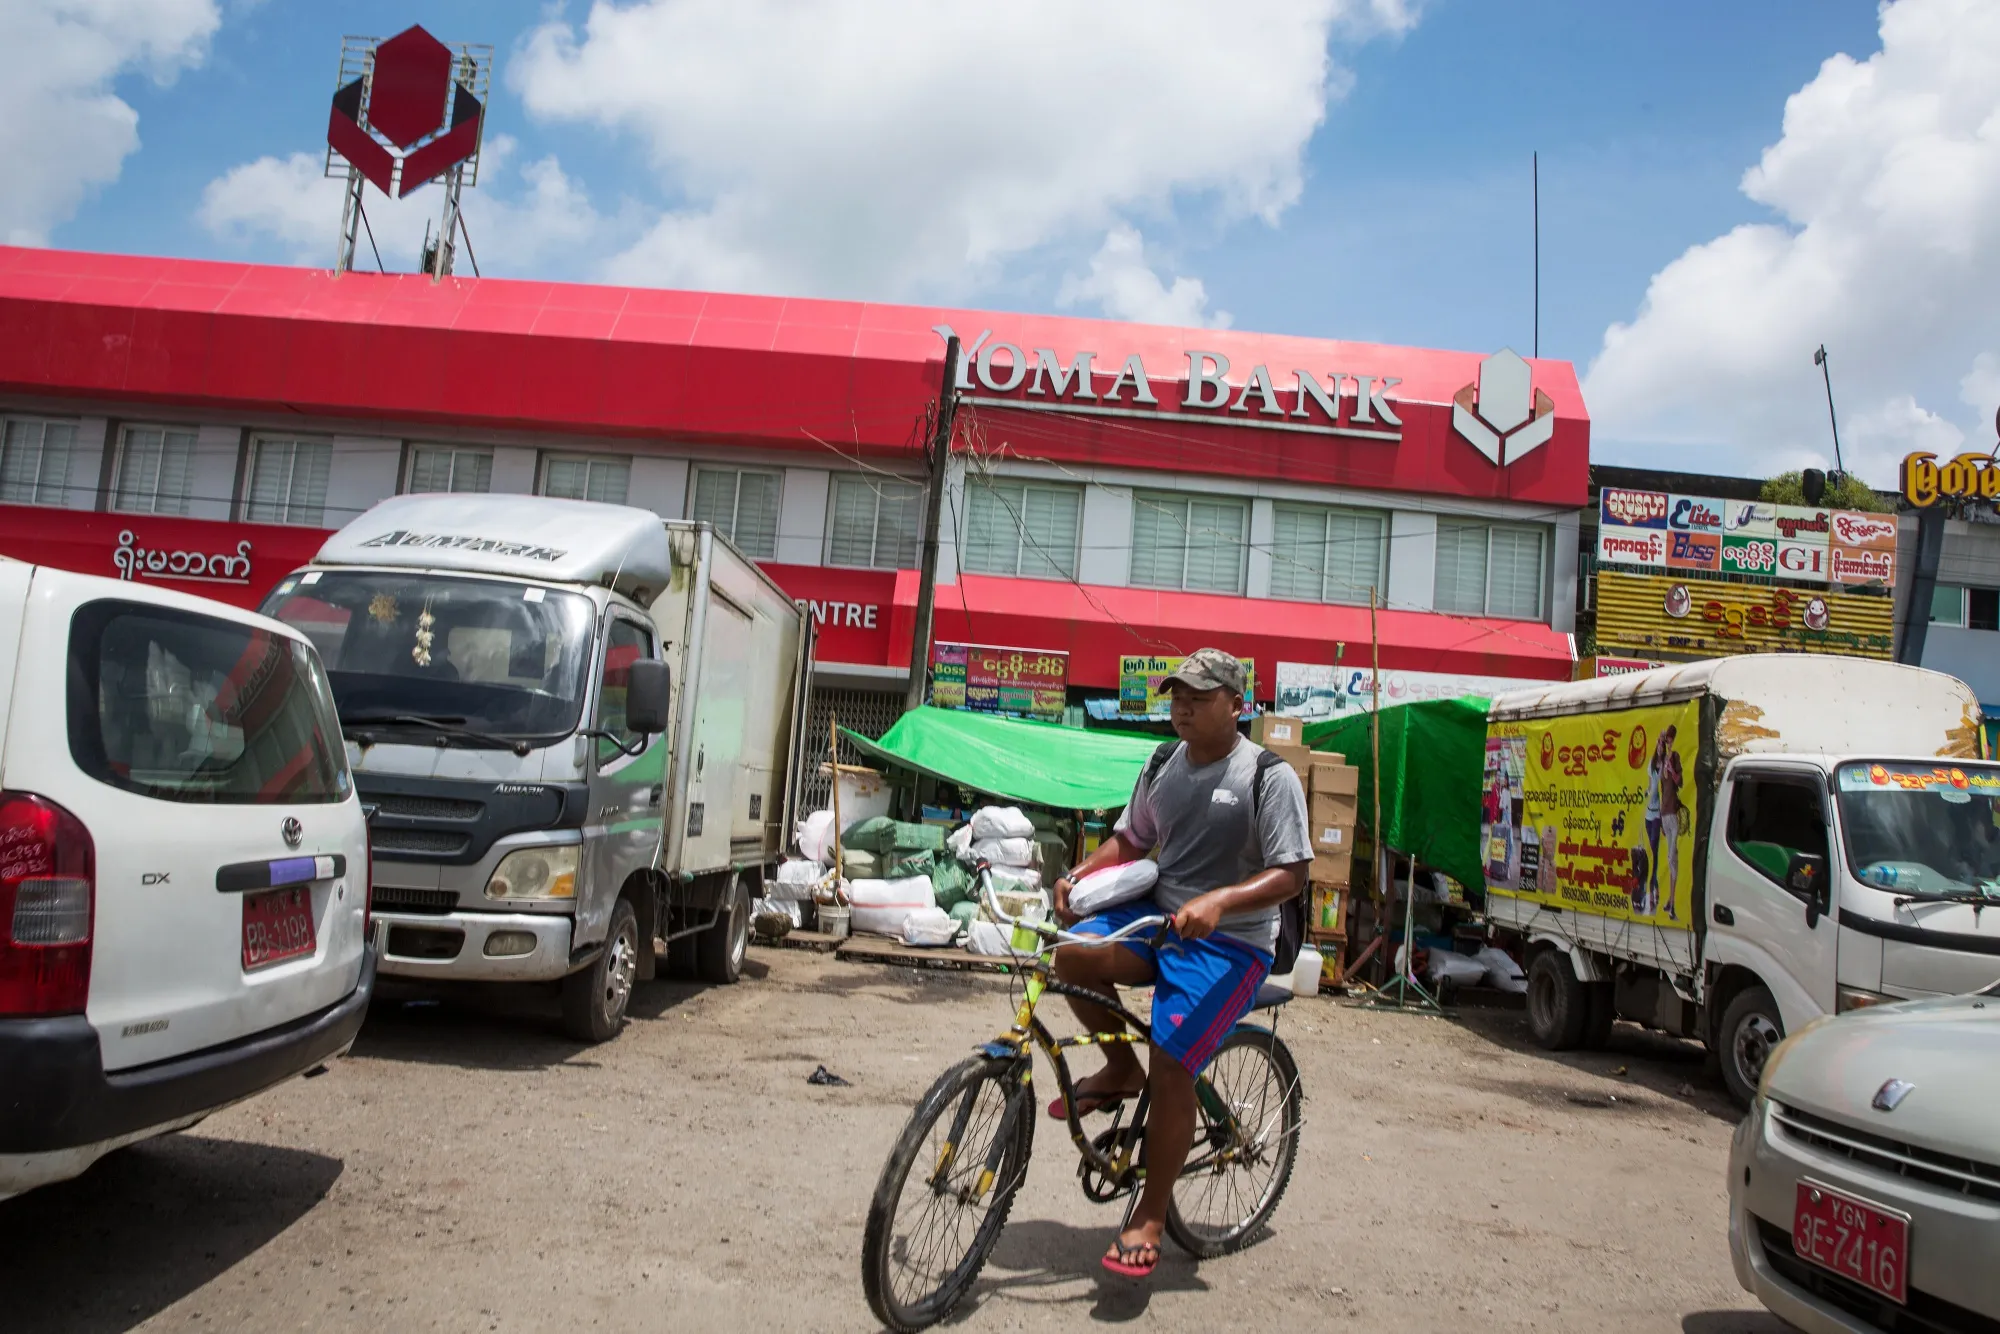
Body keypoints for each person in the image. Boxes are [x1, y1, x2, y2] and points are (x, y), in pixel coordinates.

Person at [1049, 648, 1312, 1280]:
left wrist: (1221, 901)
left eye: (1198, 695)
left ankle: (1151, 1214)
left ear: (1237, 704)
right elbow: (1134, 837)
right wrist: (1083, 872)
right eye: (1177, 695)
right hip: (1159, 917)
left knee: (1174, 1061)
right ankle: (1117, 1071)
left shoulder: (1267, 776)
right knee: (1068, 955)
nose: (1183, 706)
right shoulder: (1163, 761)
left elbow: (1294, 874)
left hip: (1232, 942)